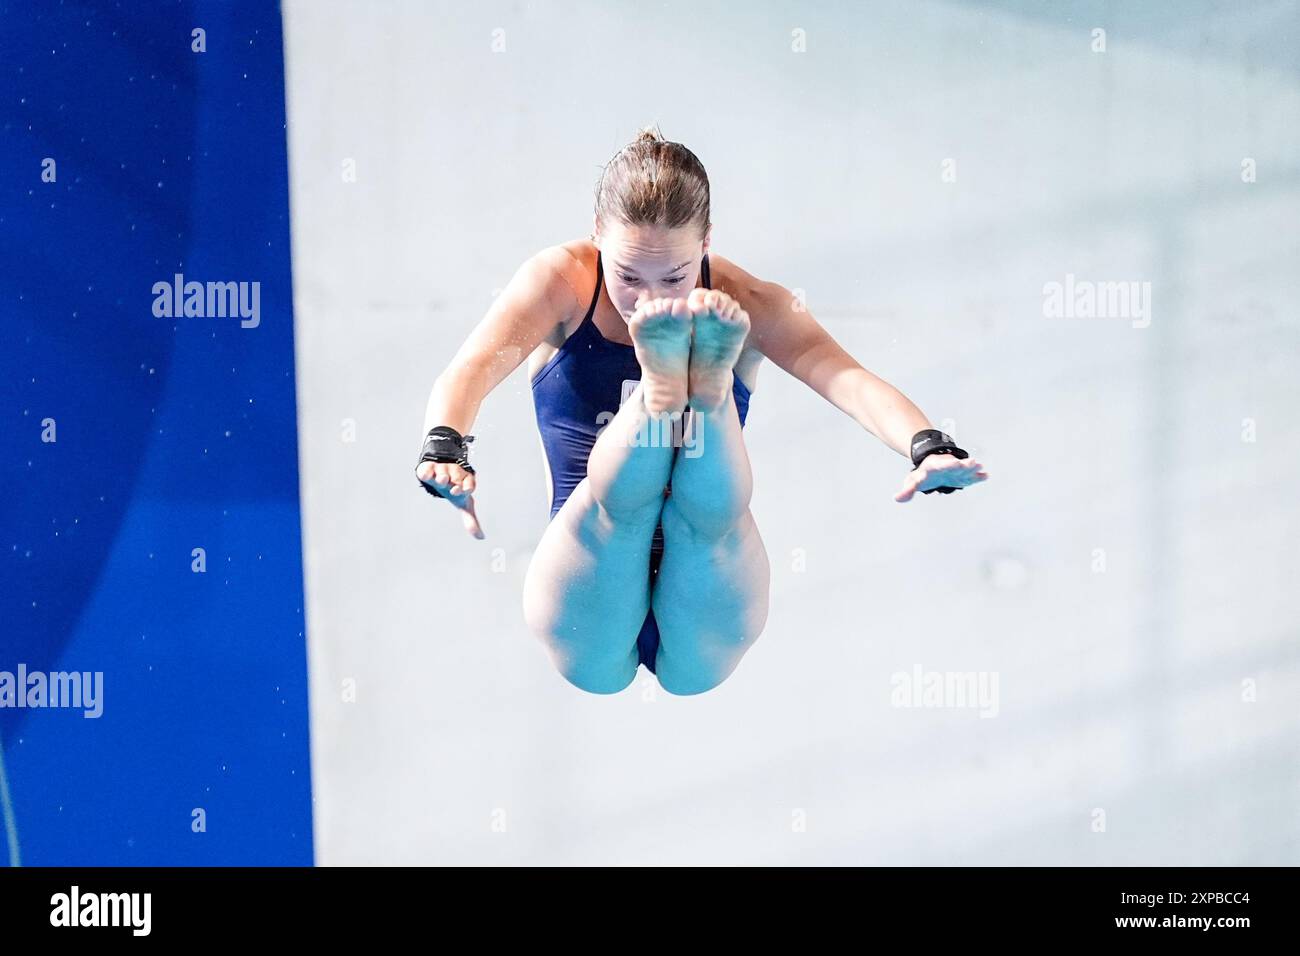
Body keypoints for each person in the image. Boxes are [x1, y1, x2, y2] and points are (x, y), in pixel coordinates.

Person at [416, 125, 988, 696]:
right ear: (596, 234)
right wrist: (445, 445)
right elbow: (470, 369)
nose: (652, 299)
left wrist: (927, 443)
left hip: (688, 571)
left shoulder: (750, 299)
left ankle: (686, 391)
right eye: (628, 276)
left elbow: (847, 379)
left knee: (690, 536)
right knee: (628, 511)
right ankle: (680, 392)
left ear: (706, 241)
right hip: (588, 565)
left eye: (673, 277)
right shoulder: (561, 282)